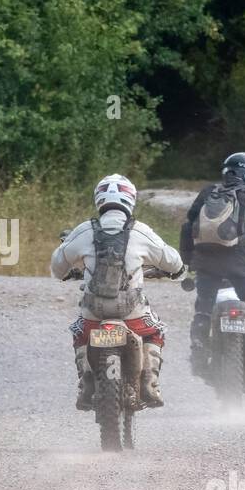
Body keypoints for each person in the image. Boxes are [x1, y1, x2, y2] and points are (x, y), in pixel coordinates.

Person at [50, 174, 184, 409]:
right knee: (156, 331)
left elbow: (57, 264)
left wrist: (65, 273)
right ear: (130, 199)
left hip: (94, 312)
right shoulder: (140, 231)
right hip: (133, 313)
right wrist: (177, 270)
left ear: (99, 199)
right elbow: (172, 262)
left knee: (79, 332)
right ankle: (149, 383)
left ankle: (86, 382)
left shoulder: (84, 231)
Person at [180, 152, 245, 375]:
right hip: (240, 265)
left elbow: (188, 227)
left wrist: (188, 260)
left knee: (204, 307)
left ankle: (198, 353)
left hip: (206, 266)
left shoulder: (209, 192)